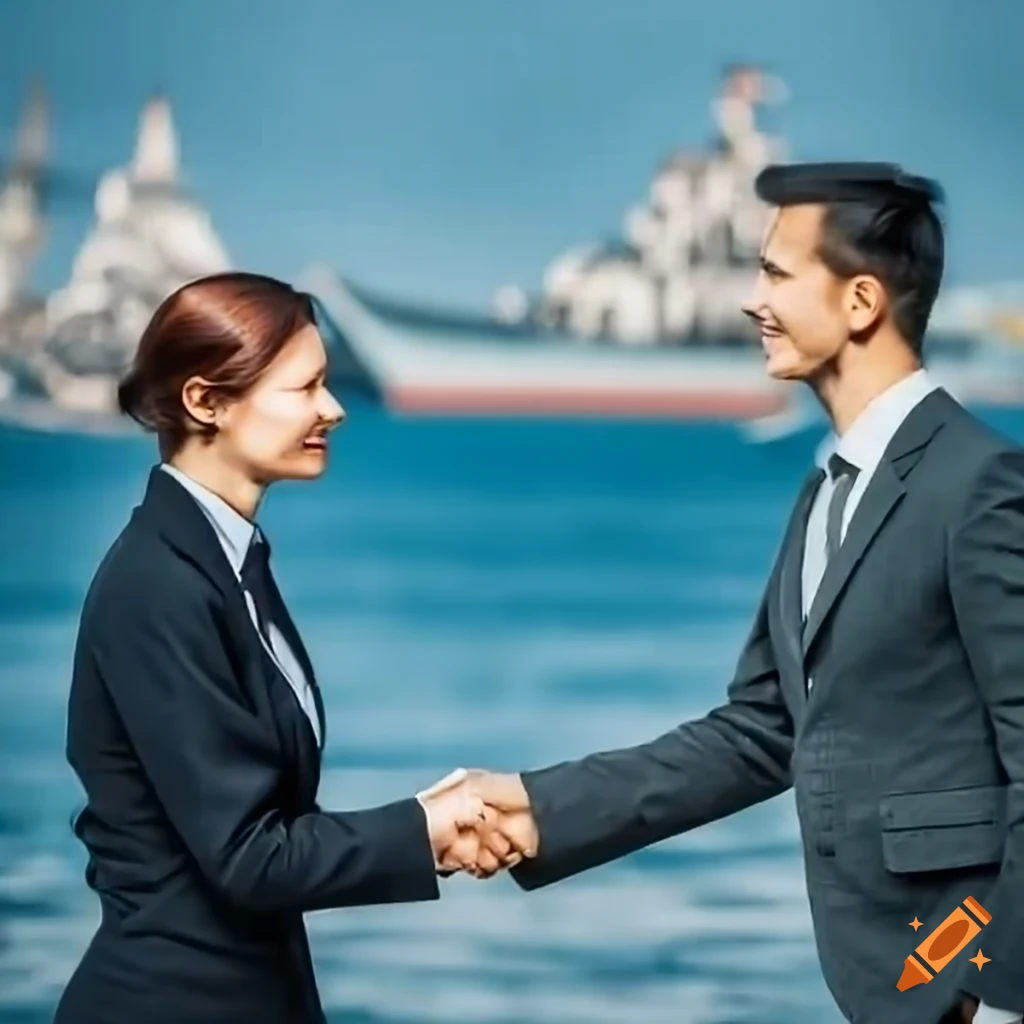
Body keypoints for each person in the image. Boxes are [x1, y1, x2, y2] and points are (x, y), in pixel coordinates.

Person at [453, 164, 1024, 1024]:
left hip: (961, 979)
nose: (752, 301)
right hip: (884, 981)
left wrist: (1001, 998)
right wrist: (541, 809)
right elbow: (762, 730)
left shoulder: (979, 483)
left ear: (861, 301)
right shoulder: (829, 488)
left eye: (776, 273)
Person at [55, 272, 516, 1024]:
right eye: (304, 388)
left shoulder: (230, 564)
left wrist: (427, 818)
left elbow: (263, 829)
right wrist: (424, 829)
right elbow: (249, 858)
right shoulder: (158, 585)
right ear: (206, 402)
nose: (333, 408)